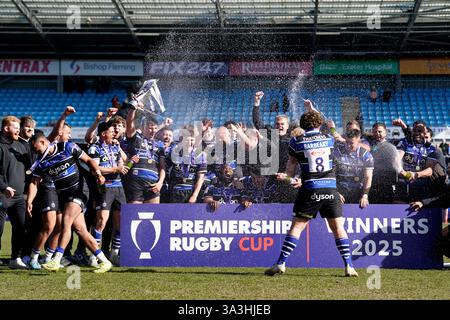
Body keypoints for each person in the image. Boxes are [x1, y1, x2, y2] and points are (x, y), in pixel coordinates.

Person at [264, 110, 358, 277]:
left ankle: (280, 263)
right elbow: (340, 139)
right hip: (330, 189)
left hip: (310, 189)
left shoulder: (296, 141)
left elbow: (290, 171)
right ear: (319, 124)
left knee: (297, 227)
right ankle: (349, 266)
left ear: (302, 125)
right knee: (338, 228)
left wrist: (286, 178)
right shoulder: (329, 139)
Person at [27, 132, 113, 273]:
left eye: (34, 147)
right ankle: (104, 261)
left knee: (66, 220)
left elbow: (89, 160)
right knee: (81, 230)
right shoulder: (41, 162)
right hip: (64, 196)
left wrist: (98, 173)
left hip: (80, 191)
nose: (33, 150)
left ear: (42, 142)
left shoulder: (67, 147)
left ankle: (56, 259)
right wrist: (29, 200)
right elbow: (34, 183)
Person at [88, 121, 128, 266]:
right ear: (104, 134)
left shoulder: (115, 146)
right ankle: (94, 255)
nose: (114, 133)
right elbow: (95, 169)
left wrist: (121, 167)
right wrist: (114, 170)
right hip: (105, 188)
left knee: (121, 223)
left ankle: (114, 253)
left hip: (119, 187)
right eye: (112, 131)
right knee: (101, 222)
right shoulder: (95, 148)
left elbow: (120, 163)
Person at [0, 116, 30, 269]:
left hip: (19, 197)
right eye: (15, 127)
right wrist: (4, 187)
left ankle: (15, 259)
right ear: (6, 128)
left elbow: (31, 167)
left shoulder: (21, 146)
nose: (19, 130)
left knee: (20, 227)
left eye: (19, 127)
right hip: (2, 194)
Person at [333, 129, 374, 208]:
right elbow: (331, 174)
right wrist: (335, 192)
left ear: (358, 140)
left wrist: (365, 195)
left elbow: (368, 177)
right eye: (346, 142)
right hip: (339, 192)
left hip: (358, 192)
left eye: (351, 143)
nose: (348, 146)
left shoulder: (366, 155)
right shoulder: (337, 153)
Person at [367, 123, 399, 204]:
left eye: (380, 131)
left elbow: (408, 138)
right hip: (372, 185)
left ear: (385, 132)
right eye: (375, 132)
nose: (377, 134)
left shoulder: (392, 144)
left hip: (387, 185)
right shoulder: (369, 143)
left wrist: (404, 126)